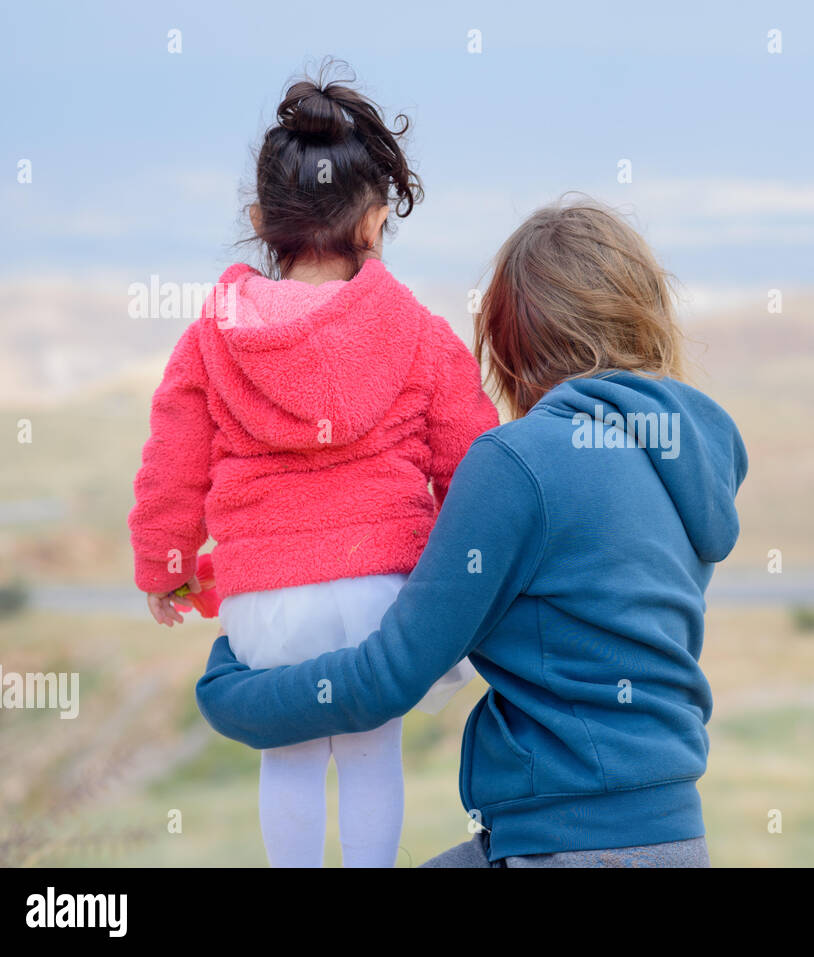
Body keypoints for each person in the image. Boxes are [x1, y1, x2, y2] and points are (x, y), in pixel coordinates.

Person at [196, 198, 748, 867]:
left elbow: (390, 676)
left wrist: (234, 691)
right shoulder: (683, 457)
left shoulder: (521, 462)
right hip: (674, 841)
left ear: (512, 340)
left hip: (566, 848)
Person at [129, 64, 495, 867]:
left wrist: (165, 560)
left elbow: (173, 459)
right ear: (373, 222)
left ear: (262, 220)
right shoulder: (420, 333)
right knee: (371, 753)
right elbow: (473, 464)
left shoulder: (212, 337)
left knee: (288, 758)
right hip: (381, 597)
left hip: (265, 602)